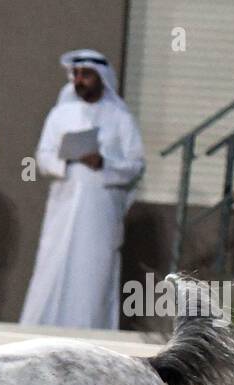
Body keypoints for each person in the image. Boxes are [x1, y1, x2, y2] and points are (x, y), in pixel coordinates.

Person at [19, 49, 144, 330]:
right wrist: (65, 160)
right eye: (76, 74)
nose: (80, 80)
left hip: (100, 211)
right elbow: (43, 156)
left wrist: (104, 162)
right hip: (63, 208)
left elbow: (136, 164)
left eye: (86, 74)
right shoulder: (60, 115)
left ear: (101, 78)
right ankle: (38, 331)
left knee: (92, 276)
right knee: (52, 267)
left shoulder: (120, 117)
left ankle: (91, 334)